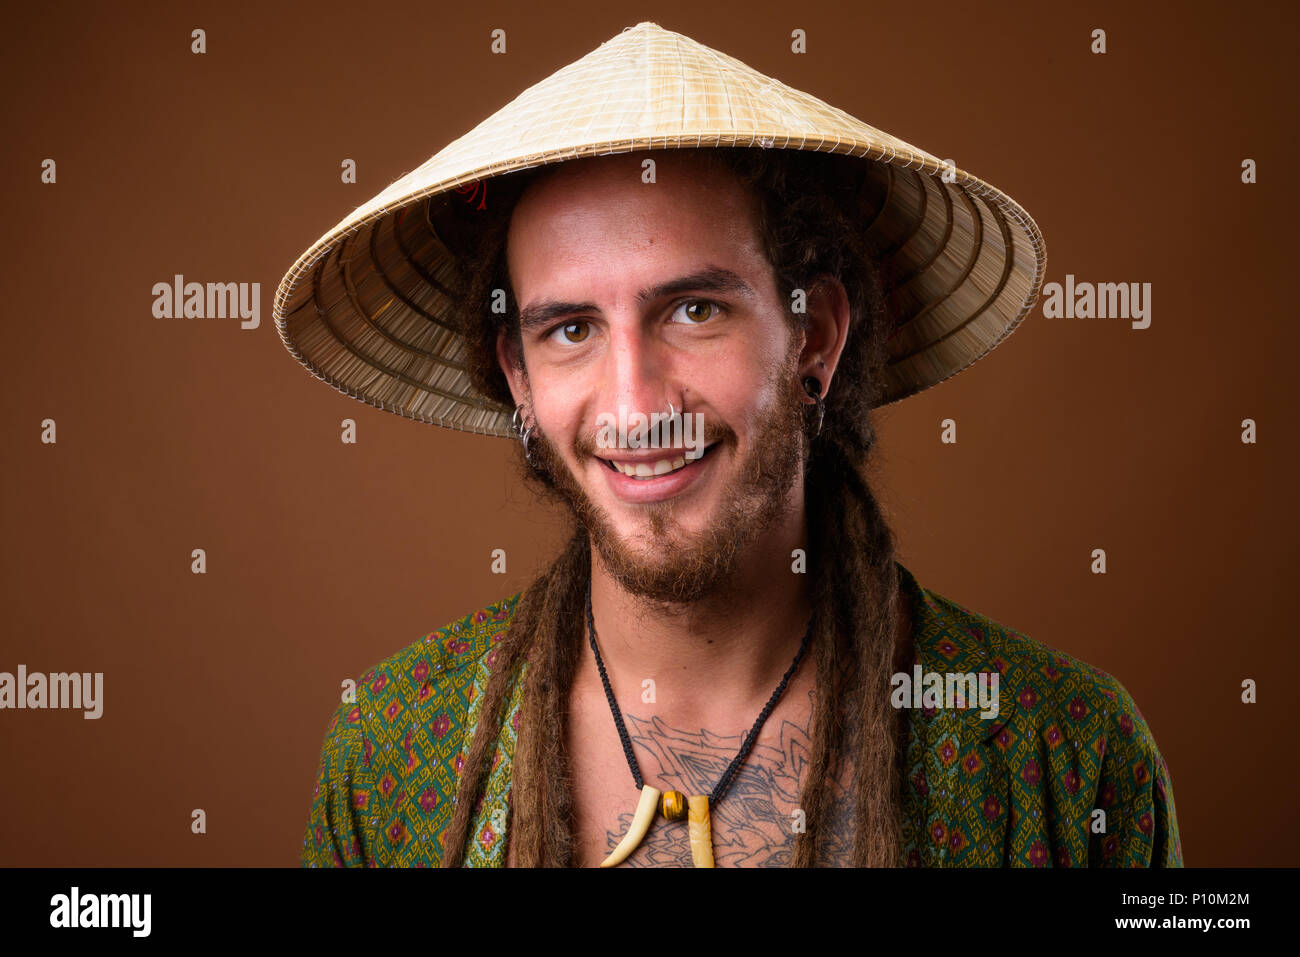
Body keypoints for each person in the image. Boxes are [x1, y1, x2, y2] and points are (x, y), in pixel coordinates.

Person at [281, 22, 1180, 868]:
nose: (635, 407)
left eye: (694, 310)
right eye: (571, 330)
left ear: (814, 337)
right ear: (518, 374)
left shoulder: (1064, 753)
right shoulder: (392, 751)